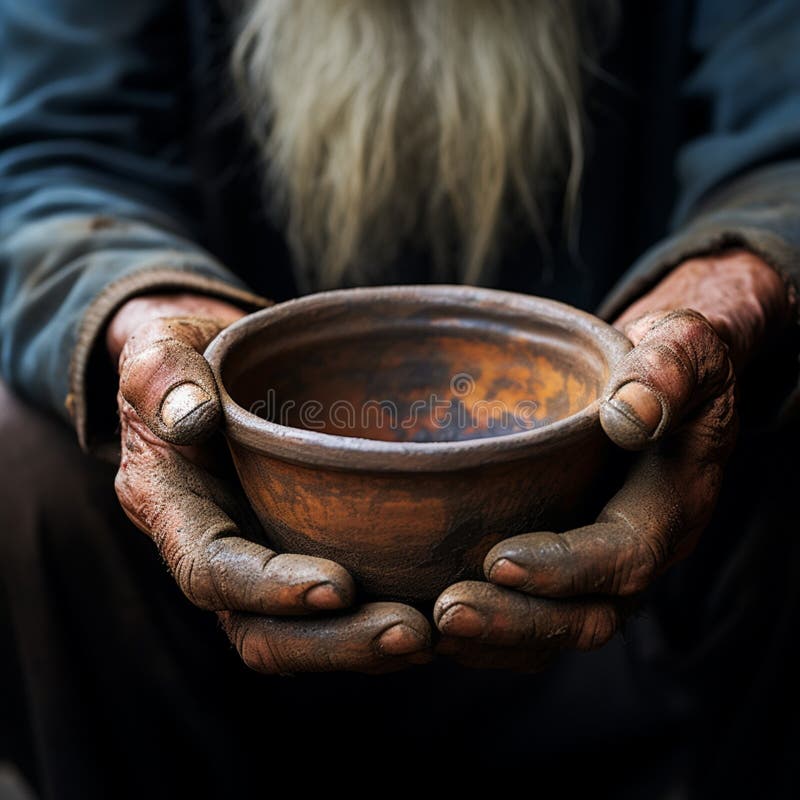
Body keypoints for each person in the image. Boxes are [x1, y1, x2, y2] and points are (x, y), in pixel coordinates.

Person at [1, 0, 799, 797]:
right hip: (225, 547)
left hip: (645, 526)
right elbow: (50, 155)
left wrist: (721, 303)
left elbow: (785, 132)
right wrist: (151, 321)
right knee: (22, 462)